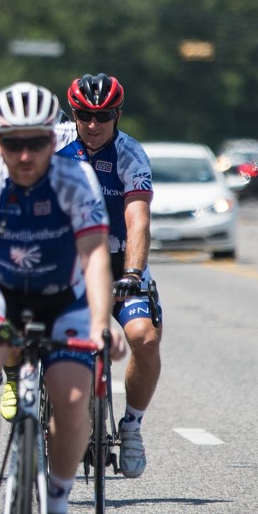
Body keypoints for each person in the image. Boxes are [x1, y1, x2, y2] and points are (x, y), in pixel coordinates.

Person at [0, 82, 125, 514]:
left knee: (73, 397)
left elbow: (93, 259)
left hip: (60, 296)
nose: (25, 155)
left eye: (37, 143)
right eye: (12, 143)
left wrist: (100, 322)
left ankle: (60, 509)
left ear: (54, 139)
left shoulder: (77, 179)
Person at [56, 74, 158, 478]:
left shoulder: (130, 155)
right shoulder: (55, 139)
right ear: (73, 113)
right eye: (84, 115)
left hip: (119, 263)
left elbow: (138, 221)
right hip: (67, 263)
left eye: (104, 116)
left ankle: (131, 427)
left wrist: (133, 272)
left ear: (118, 115)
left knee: (144, 338)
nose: (94, 124)